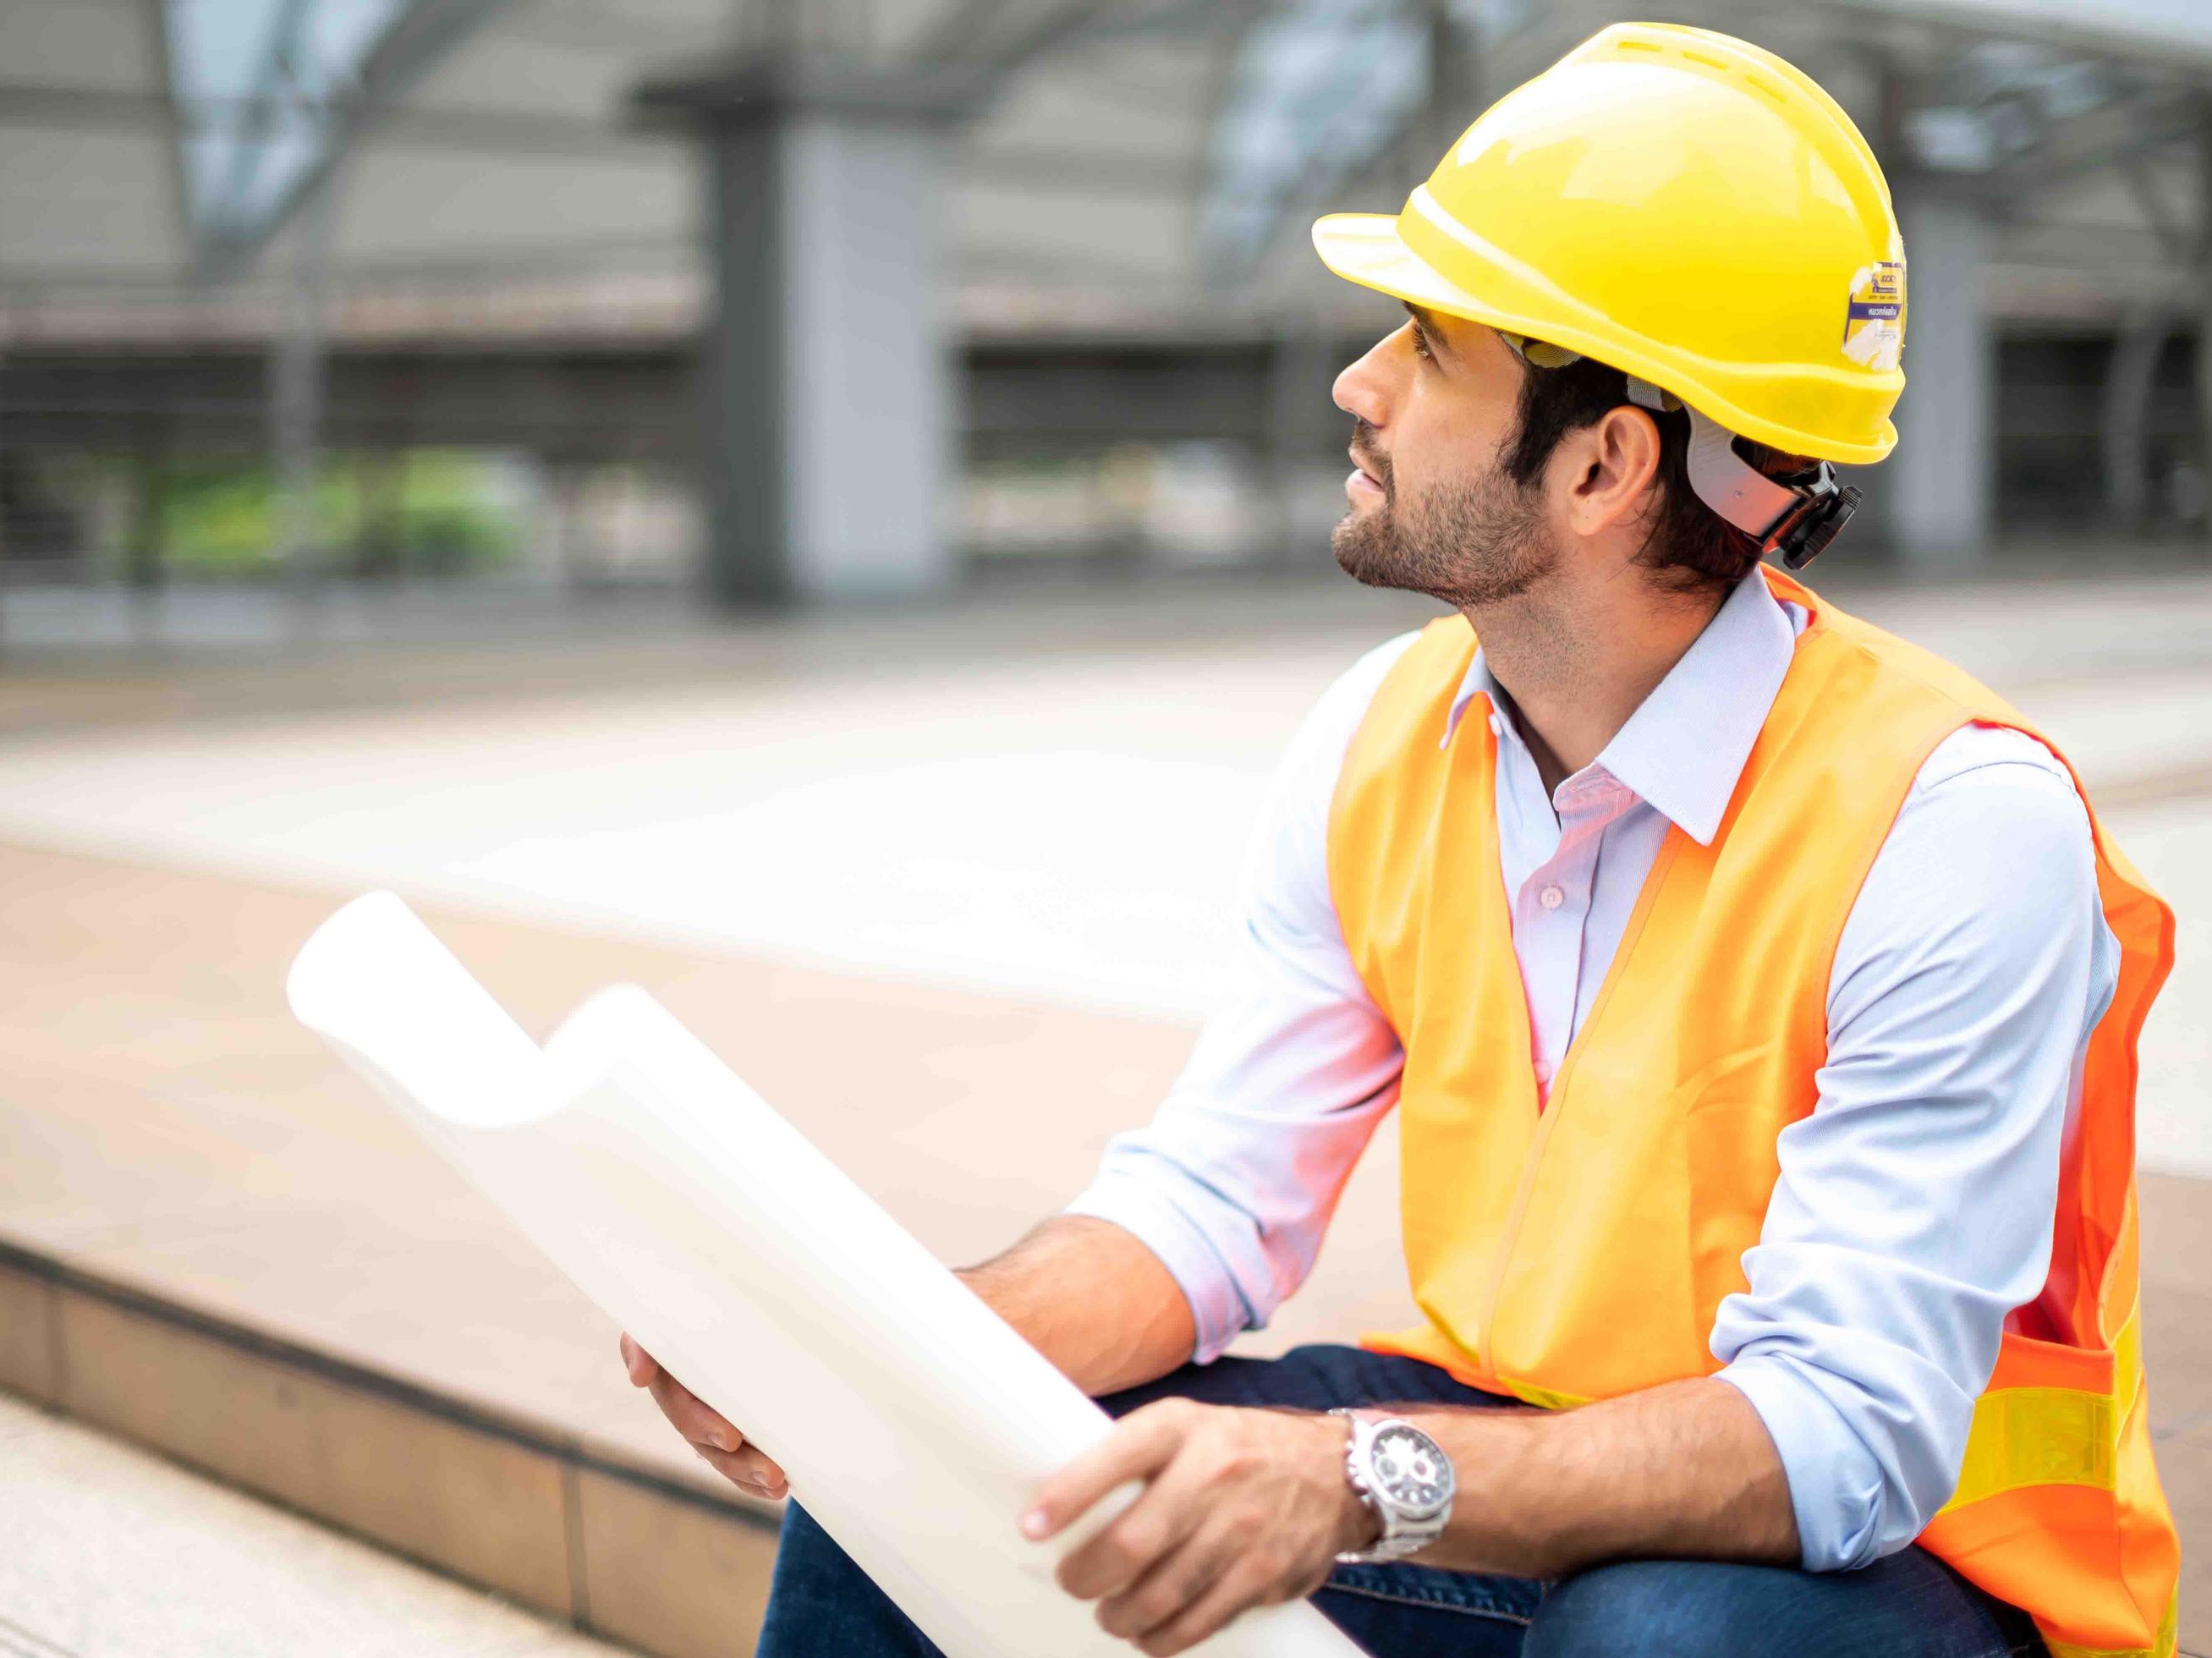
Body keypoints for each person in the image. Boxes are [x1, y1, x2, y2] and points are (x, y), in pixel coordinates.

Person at [622, 21, 2179, 1658]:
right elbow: (1213, 1202)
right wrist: (884, 1354)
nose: (1357, 384)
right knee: (941, 1480)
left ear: (1602, 463)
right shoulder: (1385, 735)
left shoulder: (1950, 825)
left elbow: (1848, 1437)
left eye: (1431, 345)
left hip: (1901, 1573)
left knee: (1659, 1640)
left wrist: (1354, 1476)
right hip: (1509, 1469)